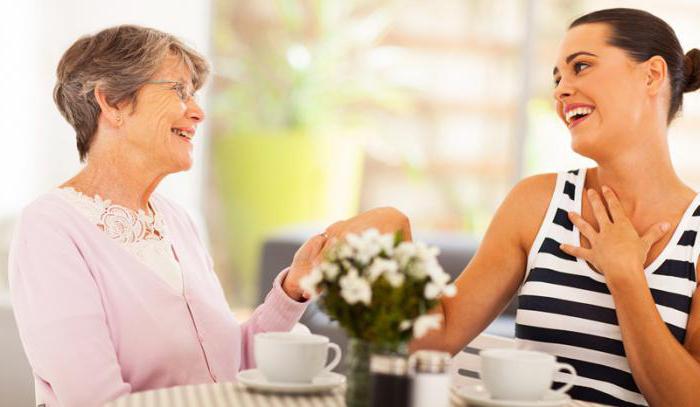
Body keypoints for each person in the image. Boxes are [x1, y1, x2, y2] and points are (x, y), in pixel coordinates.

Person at [8, 25, 409, 407]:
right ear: (112, 101)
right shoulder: (51, 229)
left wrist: (293, 289)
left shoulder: (177, 220)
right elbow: (94, 401)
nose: (198, 112)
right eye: (179, 91)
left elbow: (229, 367)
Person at [410, 8, 700, 406]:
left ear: (651, 75)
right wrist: (386, 253)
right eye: (558, 77)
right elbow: (436, 339)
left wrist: (627, 279)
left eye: (581, 67)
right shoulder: (536, 204)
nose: (561, 90)